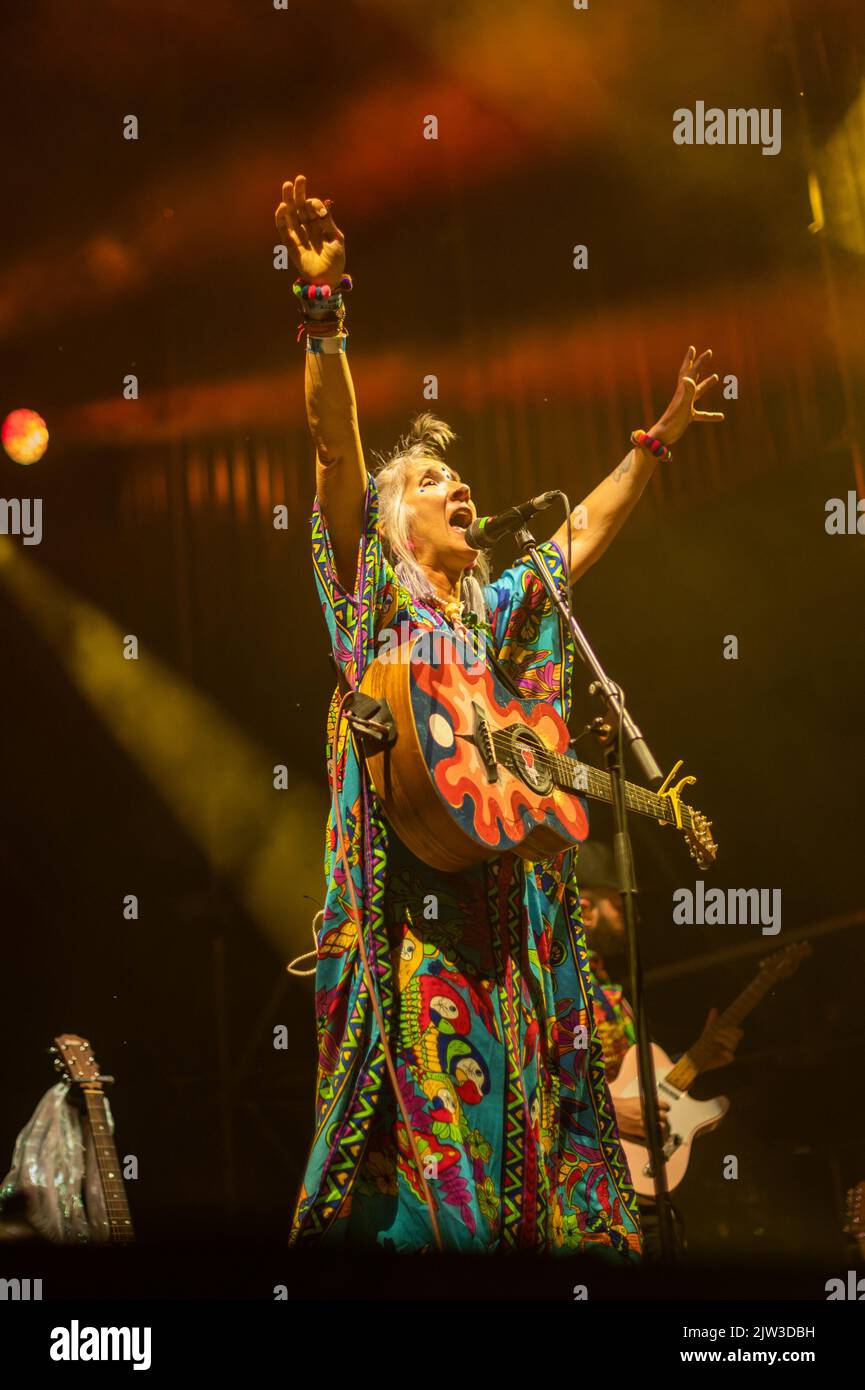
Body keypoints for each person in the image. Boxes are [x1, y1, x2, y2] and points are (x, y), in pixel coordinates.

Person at [278, 171, 724, 1257]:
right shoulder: (374, 592)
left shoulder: (491, 607)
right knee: (448, 1171)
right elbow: (337, 451)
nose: (454, 483)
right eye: (430, 479)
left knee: (532, 1167)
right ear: (393, 524)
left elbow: (578, 542)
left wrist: (654, 440)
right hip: (415, 923)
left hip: (516, 931)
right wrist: (325, 301)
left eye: (455, 472)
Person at [576, 840, 743, 1256]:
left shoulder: (611, 992)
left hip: (639, 1194)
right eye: (618, 902)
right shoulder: (562, 985)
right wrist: (611, 1115)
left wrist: (700, 1060)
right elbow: (535, 1078)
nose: (631, 914)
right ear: (585, 908)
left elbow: (633, 1081)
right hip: (586, 1197)